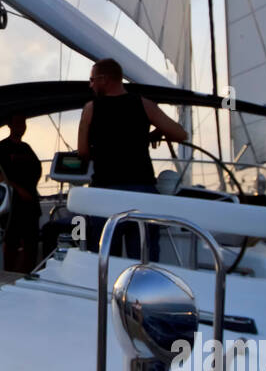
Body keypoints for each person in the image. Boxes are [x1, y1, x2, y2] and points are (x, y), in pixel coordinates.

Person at [76, 58, 188, 258]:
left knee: (104, 261)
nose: (90, 85)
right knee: (143, 261)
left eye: (92, 80)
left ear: (104, 79)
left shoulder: (91, 109)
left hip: (106, 193)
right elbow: (180, 134)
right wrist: (155, 133)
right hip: (142, 192)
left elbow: (82, 151)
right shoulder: (145, 104)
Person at [0, 113, 43, 272]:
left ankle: (29, 276)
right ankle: (9, 276)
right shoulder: (1, 147)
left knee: (31, 245)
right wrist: (18, 190)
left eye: (24, 122)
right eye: (18, 122)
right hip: (12, 206)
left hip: (31, 205)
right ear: (10, 125)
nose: (22, 126)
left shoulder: (27, 148)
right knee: (11, 244)